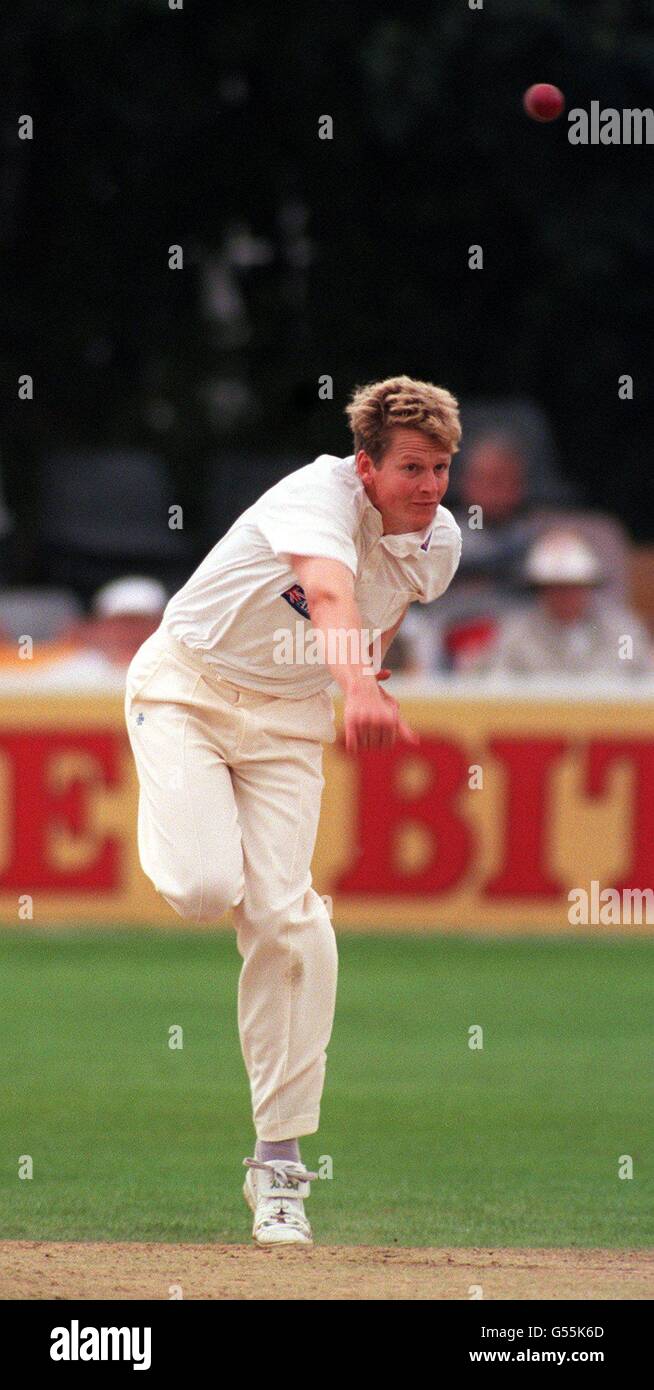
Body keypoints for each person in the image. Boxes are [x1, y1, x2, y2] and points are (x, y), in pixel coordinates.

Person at [124, 374, 462, 1246]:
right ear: (366, 466)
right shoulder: (315, 494)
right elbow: (332, 592)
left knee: (292, 920)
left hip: (287, 723)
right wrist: (358, 687)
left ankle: (278, 1169)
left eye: (442, 469)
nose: (429, 488)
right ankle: (212, 853)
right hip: (188, 688)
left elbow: (377, 618)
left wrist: (361, 678)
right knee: (202, 887)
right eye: (413, 469)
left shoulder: (440, 544)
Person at [482, 530, 652, 677]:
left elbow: (647, 680)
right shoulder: (515, 634)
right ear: (540, 590)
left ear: (589, 586)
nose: (564, 596)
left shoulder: (623, 631)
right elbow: (492, 686)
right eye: (554, 587)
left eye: (574, 587)